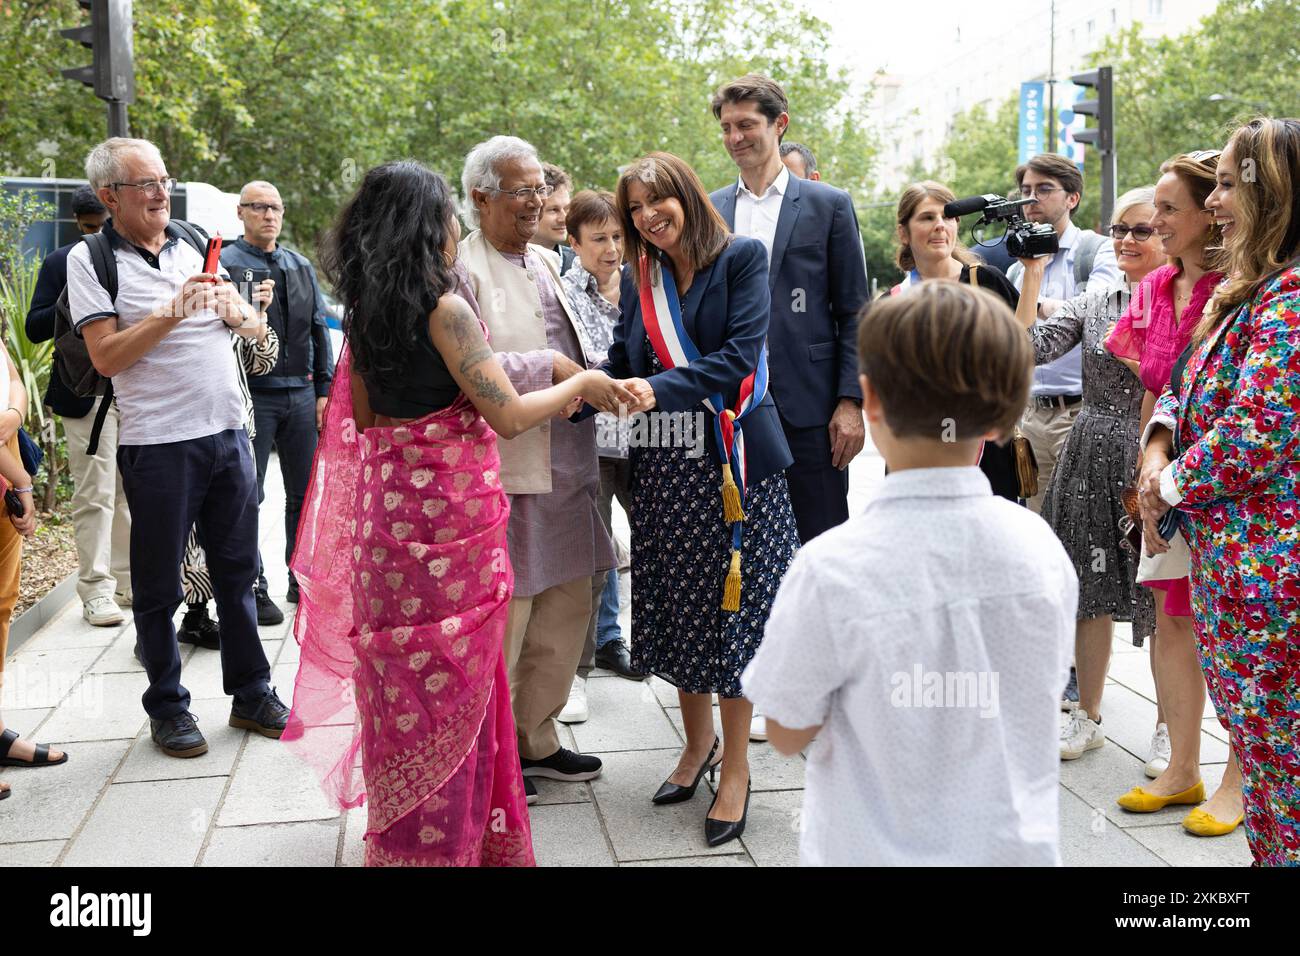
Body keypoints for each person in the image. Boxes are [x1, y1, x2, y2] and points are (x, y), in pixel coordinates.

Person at [284, 161, 631, 866]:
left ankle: (407, 837)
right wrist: (586, 381)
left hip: (389, 531)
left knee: (400, 684)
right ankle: (461, 842)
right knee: (460, 687)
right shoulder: (447, 309)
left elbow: (369, 420)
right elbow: (504, 414)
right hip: (452, 526)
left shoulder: (368, 312)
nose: (452, 226)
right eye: (443, 210)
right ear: (424, 225)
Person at [743, 281, 1076, 865]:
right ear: (1004, 415)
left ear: (870, 401)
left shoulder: (831, 566)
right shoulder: (1042, 549)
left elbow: (787, 727)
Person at [595, 151, 799, 847]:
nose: (649, 218)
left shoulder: (740, 258)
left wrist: (657, 390)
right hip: (667, 465)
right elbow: (626, 363)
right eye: (636, 210)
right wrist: (585, 390)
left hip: (737, 465)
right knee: (681, 606)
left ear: (684, 194)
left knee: (732, 613)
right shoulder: (640, 275)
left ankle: (737, 767)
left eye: (659, 202)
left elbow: (740, 355)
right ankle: (695, 746)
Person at [68, 137, 286, 758]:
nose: (162, 191)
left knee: (239, 575)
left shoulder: (193, 240)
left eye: (164, 179)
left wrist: (236, 309)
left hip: (228, 434)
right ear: (111, 196)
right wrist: (172, 310)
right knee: (160, 588)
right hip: (159, 446)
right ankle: (168, 707)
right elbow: (106, 357)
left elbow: (251, 328)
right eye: (146, 184)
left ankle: (252, 695)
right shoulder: (92, 259)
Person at [1139, 117, 1300, 866]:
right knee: (1266, 765)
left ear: (1274, 193)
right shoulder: (1247, 291)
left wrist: (1167, 485)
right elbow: (1182, 386)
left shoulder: (1291, 297)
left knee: (1281, 770)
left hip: (1275, 582)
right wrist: (1160, 444)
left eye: (1231, 184)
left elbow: (1257, 432)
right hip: (1236, 575)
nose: (1217, 201)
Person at [709, 73, 869, 744]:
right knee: (741, 551)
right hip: (732, 415)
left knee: (822, 549)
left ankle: (833, 689)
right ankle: (757, 686)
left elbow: (853, 309)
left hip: (809, 410)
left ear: (778, 124)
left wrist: (850, 401)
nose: (736, 137)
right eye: (726, 127)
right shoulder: (711, 208)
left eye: (747, 124)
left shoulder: (828, 205)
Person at [459, 136, 616, 803]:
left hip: (569, 459)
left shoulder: (549, 261)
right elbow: (467, 368)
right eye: (520, 192)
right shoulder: (460, 268)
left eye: (538, 191)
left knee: (566, 607)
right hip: (509, 467)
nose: (536, 204)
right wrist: (554, 372)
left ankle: (538, 739)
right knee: (510, 619)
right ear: (481, 198)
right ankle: (492, 754)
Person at [1104, 154, 1244, 834]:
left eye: (1166, 210)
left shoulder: (1241, 286)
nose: (1152, 223)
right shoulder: (1156, 287)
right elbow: (1157, 390)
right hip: (1163, 476)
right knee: (1170, 617)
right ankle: (1183, 767)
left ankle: (1238, 782)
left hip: (1226, 484)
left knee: (1232, 630)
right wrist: (1147, 472)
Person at [1013, 188, 1162, 764]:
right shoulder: (1096, 299)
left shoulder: (1193, 301)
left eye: (1141, 230)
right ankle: (1088, 714)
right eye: (1119, 228)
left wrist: (1137, 353)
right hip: (1090, 448)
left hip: (1156, 450)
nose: (1126, 239)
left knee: (1159, 594)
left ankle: (1169, 725)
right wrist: (1032, 275)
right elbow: (1025, 348)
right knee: (1088, 588)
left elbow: (1177, 379)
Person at [221, 180, 336, 625]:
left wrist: (324, 391)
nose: (269, 215)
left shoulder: (299, 265)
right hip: (253, 396)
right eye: (259, 207)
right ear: (241, 212)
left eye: (276, 208)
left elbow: (317, 330)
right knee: (249, 495)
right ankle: (255, 585)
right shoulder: (227, 264)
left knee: (304, 495)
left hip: (302, 394)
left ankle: (298, 579)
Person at [24, 184, 131, 626]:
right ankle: (95, 589)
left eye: (103, 224)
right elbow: (33, 327)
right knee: (94, 494)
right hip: (83, 391)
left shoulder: (131, 256)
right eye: (90, 227)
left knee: (130, 493)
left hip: (133, 390)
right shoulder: (63, 260)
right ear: (78, 222)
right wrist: (77, 300)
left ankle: (128, 583)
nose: (99, 232)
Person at [890, 180, 1035, 501]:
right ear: (904, 232)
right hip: (917, 444)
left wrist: (1034, 273)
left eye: (947, 217)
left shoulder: (985, 281)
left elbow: (1021, 344)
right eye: (927, 218)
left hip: (986, 443)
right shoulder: (894, 301)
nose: (939, 226)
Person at [559, 190, 640, 730]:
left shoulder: (647, 285)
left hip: (653, 436)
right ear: (573, 243)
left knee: (660, 547)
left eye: (617, 238)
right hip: (592, 442)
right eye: (599, 240)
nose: (611, 250)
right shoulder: (561, 293)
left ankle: (662, 650)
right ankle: (576, 677)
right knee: (591, 562)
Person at [1007, 153, 1121, 513]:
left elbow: (1097, 311)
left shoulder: (1095, 251)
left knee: (1085, 521)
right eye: (1025, 190)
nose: (1031, 199)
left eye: (1044, 189)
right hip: (1031, 415)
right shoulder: (1017, 270)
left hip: (1081, 410)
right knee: (1038, 524)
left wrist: (1035, 300)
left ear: (1072, 198)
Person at [177, 297, 280, 649]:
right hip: (180, 434)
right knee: (184, 534)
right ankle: (183, 616)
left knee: (232, 531)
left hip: (235, 429)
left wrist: (258, 314)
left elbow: (262, 362)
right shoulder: (169, 308)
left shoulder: (230, 308)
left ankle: (225, 613)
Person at [0, 346, 67, 801]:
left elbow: (11, 375)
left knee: (2, 607)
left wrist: (12, 412)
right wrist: (21, 481)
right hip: (8, 475)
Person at [534, 163, 576, 275]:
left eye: (567, 209)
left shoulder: (580, 265)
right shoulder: (506, 265)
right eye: (553, 210)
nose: (564, 219)